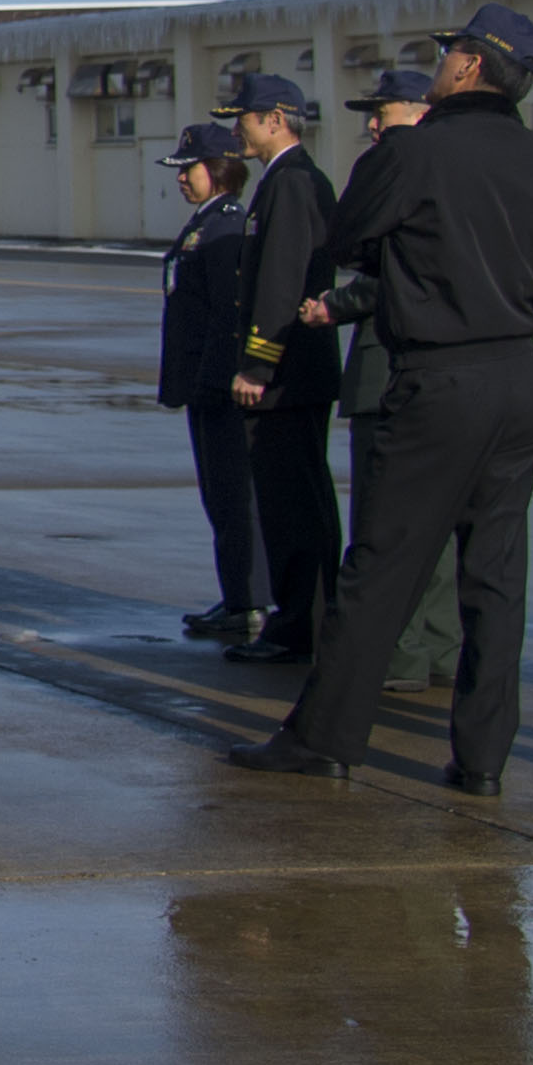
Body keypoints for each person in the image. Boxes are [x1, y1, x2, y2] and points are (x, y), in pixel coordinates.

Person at [228, 4, 533, 793]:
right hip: (518, 374)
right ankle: (481, 757)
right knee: (497, 577)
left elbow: (346, 238)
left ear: (471, 66)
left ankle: (326, 734)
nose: (441, 63)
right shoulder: (531, 153)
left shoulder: (420, 150)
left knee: (380, 568)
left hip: (442, 375)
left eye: (451, 53)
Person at [338, 69, 460, 693]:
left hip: (392, 366)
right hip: (445, 373)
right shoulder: (460, 171)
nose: (371, 126)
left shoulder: (398, 173)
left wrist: (332, 306)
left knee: (386, 523)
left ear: (414, 112)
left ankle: (401, 654)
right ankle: (438, 648)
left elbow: (379, 266)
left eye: (379, 112)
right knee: (436, 525)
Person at [222, 75, 343, 667]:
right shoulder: (285, 180)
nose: (236, 128)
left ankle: (299, 625)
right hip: (293, 374)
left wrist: (256, 365)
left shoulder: (292, 183)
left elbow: (280, 281)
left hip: (287, 377)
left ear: (275, 118)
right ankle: (302, 620)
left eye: (242, 117)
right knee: (294, 502)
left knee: (293, 506)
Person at [155, 120, 262, 642]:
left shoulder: (224, 227)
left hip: (217, 385)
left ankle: (248, 599)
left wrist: (212, 379)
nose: (180, 178)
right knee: (218, 496)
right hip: (202, 382)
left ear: (219, 169)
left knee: (230, 495)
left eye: (188, 169)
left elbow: (227, 313)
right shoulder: (207, 223)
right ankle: (237, 595)